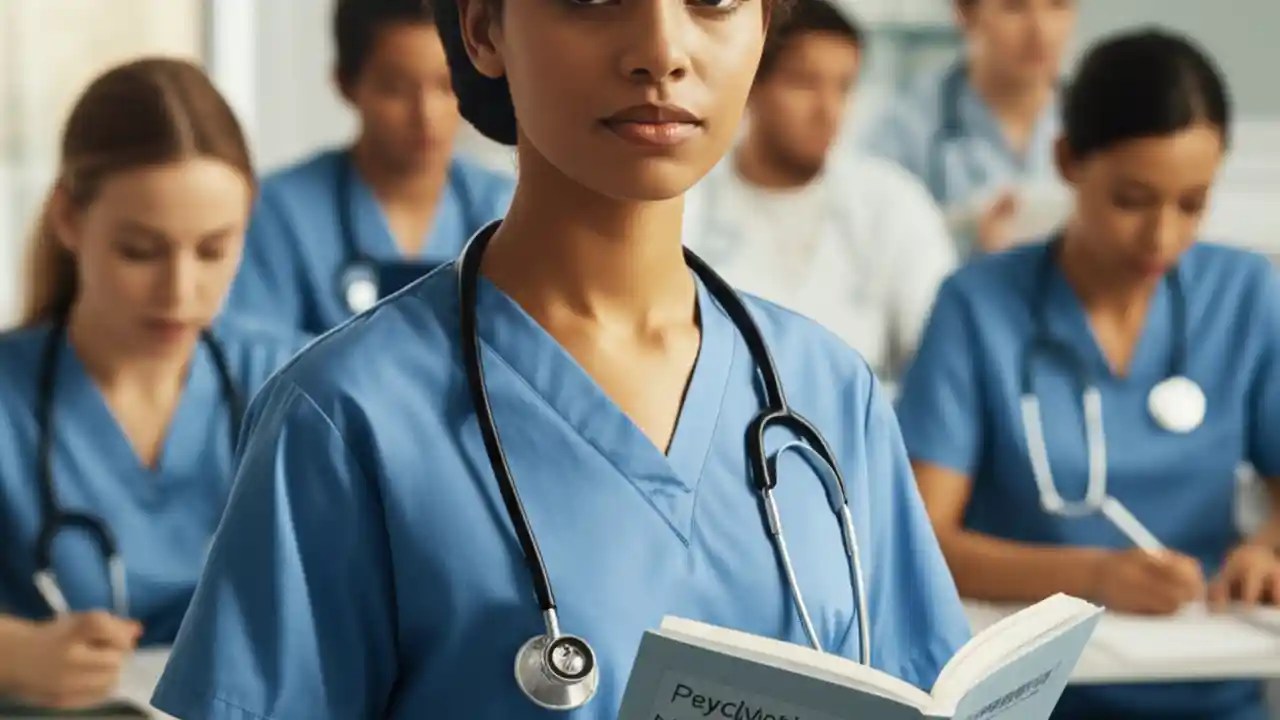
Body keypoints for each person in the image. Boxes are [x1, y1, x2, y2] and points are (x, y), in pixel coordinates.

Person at [150, 0, 973, 717]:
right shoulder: (344, 417)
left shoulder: (829, 396)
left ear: (763, 25)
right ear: (483, 29)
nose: (662, 50)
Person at [896, 30, 1280, 720]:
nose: (1162, 237)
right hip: (1032, 695)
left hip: (1213, 688)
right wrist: (1092, 578)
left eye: (1192, 203)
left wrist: (1265, 547)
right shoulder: (977, 307)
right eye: (1132, 200)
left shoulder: (1246, 295)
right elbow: (924, 540)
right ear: (1069, 161)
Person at [0, 59, 306, 711]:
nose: (180, 293)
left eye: (213, 249)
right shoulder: (8, 399)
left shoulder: (300, 385)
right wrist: (9, 654)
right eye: (140, 251)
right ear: (68, 220)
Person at [684, 0, 955, 383]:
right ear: (751, 85)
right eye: (805, 83)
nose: (828, 109)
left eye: (843, 86)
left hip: (863, 432)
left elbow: (941, 359)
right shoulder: (688, 204)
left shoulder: (892, 204)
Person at [226, 0, 515, 335]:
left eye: (445, 86)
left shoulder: (505, 208)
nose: (426, 114)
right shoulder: (279, 213)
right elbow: (253, 362)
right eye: (395, 89)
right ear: (346, 84)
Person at [864, 0, 1077, 257]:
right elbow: (873, 252)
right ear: (964, 13)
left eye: (1058, 5)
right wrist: (968, 251)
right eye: (1015, 8)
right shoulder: (907, 128)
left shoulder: (1099, 123)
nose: (1041, 30)